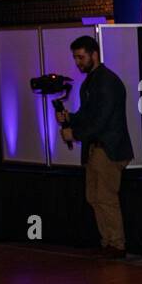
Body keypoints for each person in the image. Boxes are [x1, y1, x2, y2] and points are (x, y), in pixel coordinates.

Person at [53, 35, 132, 258]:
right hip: (97, 148)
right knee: (95, 197)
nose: (77, 62)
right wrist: (71, 117)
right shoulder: (93, 80)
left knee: (105, 198)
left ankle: (116, 244)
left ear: (94, 54)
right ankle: (108, 242)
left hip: (107, 149)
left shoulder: (105, 81)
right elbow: (90, 115)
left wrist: (74, 132)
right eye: (75, 58)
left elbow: (101, 120)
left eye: (80, 57)